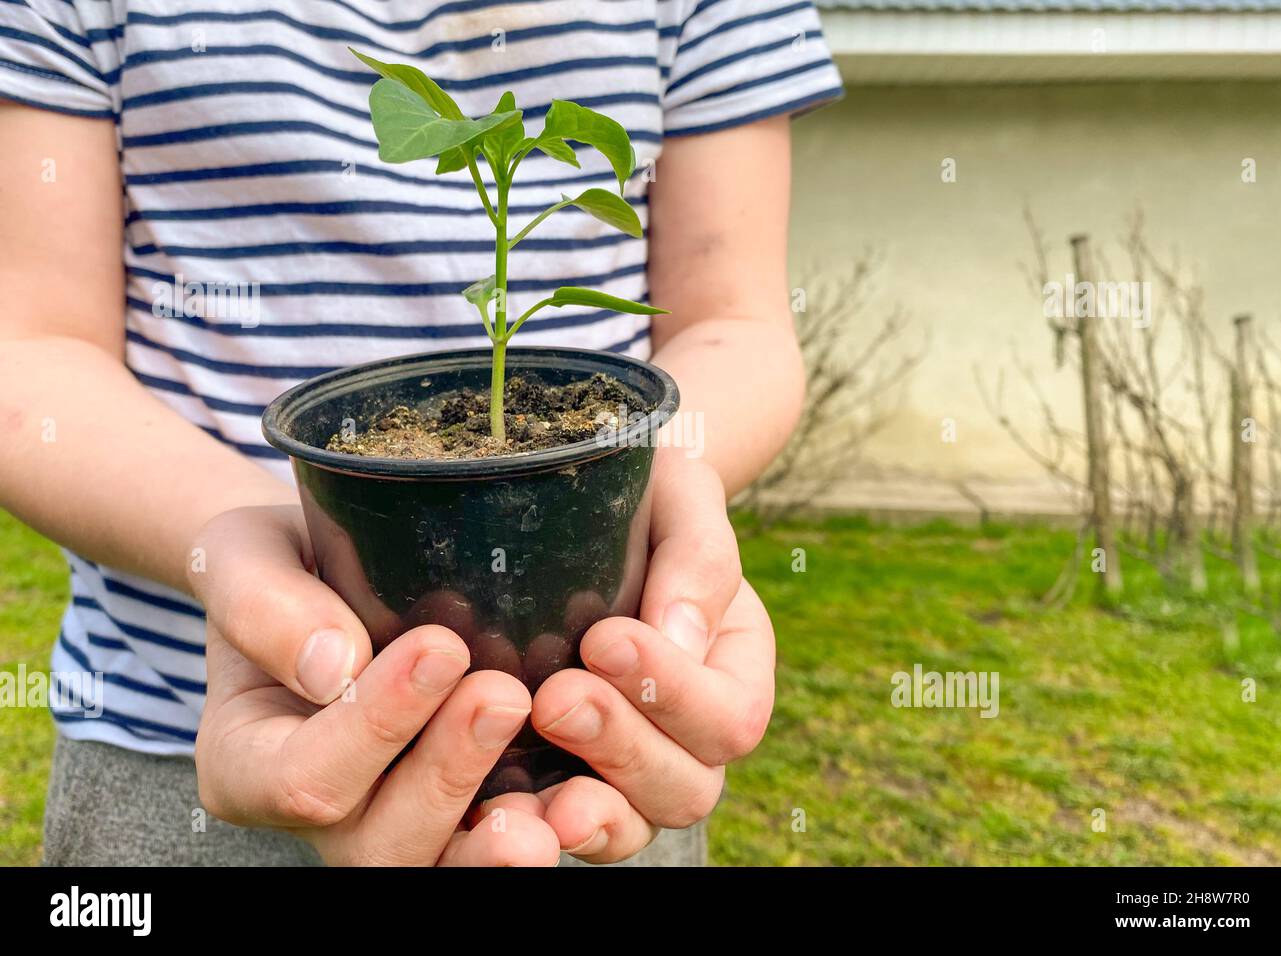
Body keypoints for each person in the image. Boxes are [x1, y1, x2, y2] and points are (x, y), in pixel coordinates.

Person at [0, 0, 842, 866]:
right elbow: (28, 352)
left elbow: (732, 319)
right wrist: (244, 549)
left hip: (599, 746)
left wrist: (665, 502)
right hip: (172, 736)